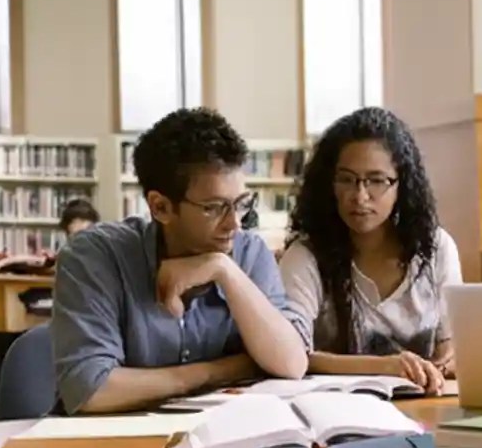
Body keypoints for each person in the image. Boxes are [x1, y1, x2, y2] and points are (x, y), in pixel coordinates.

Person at [52, 107, 308, 415]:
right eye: (213, 208)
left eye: (241, 204)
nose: (234, 225)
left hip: (219, 442)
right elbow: (91, 390)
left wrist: (223, 270)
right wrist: (218, 372)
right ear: (160, 207)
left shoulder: (248, 253)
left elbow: (292, 363)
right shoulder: (94, 257)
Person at [280, 107, 459, 395]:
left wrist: (449, 358)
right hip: (336, 414)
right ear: (329, 184)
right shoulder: (305, 256)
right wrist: (385, 366)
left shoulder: (436, 248)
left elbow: (449, 343)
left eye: (376, 181)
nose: (360, 196)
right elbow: (292, 355)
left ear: (402, 184)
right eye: (347, 179)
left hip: (424, 406)